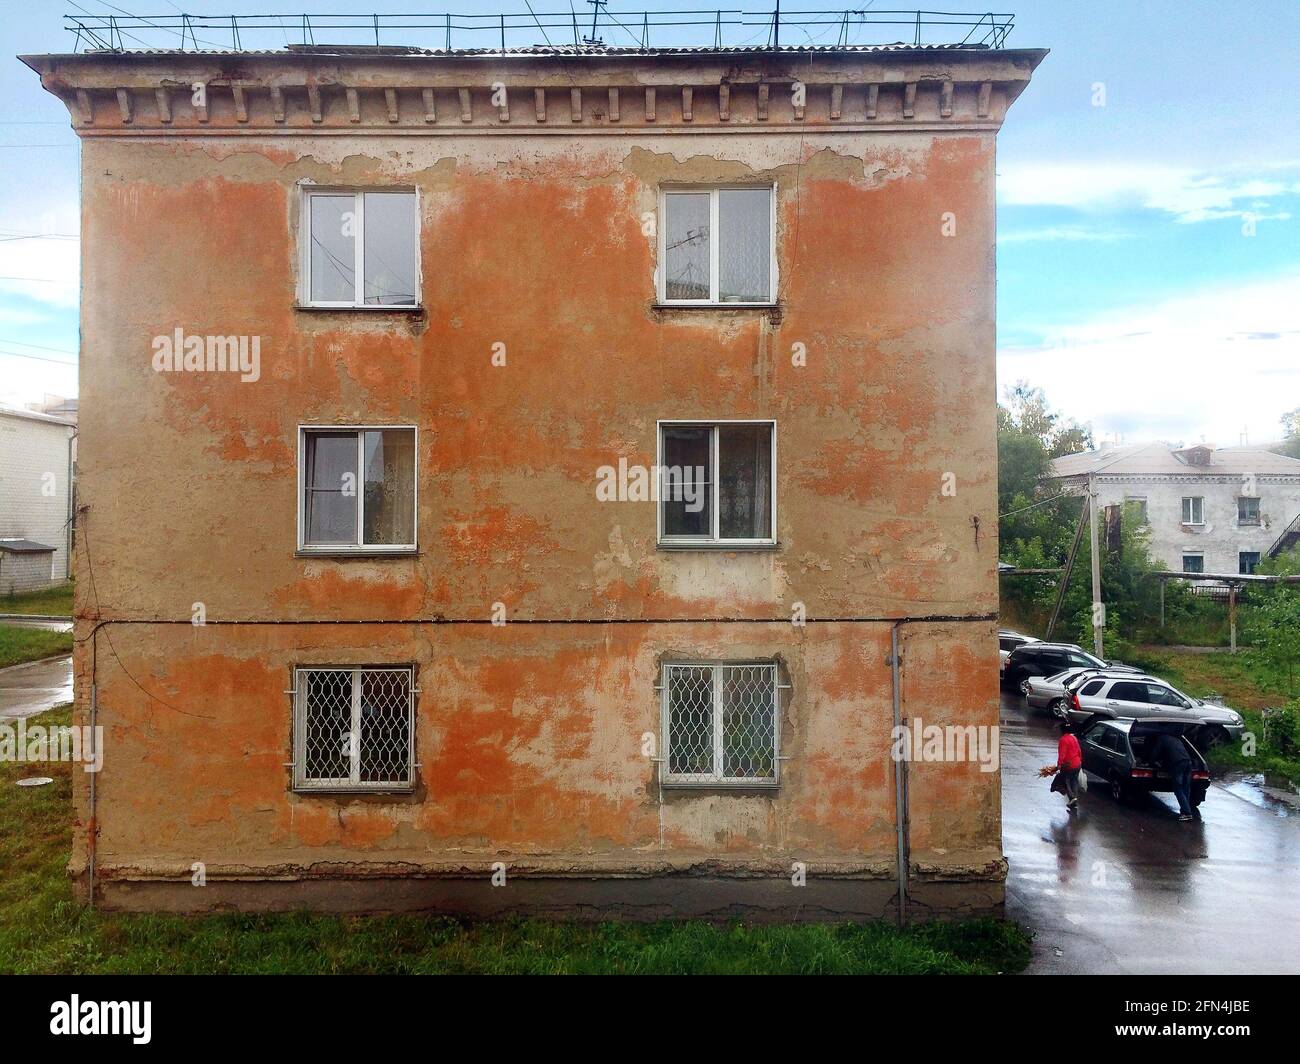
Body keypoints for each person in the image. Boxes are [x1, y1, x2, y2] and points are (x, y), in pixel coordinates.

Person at [1153, 731, 1195, 821]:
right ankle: (1185, 811)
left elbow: (1156, 753)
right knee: (1185, 787)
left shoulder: (1161, 739)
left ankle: (1187, 813)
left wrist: (1151, 761)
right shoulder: (1176, 738)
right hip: (1188, 762)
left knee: (1178, 788)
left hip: (1178, 764)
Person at [1047, 721, 1083, 812]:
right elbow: (1079, 750)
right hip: (1077, 763)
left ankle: (1072, 797)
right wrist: (1080, 760)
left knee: (1065, 780)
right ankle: (1074, 798)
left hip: (1068, 765)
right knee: (1074, 781)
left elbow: (1062, 754)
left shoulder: (1063, 740)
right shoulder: (1073, 738)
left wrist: (1059, 765)